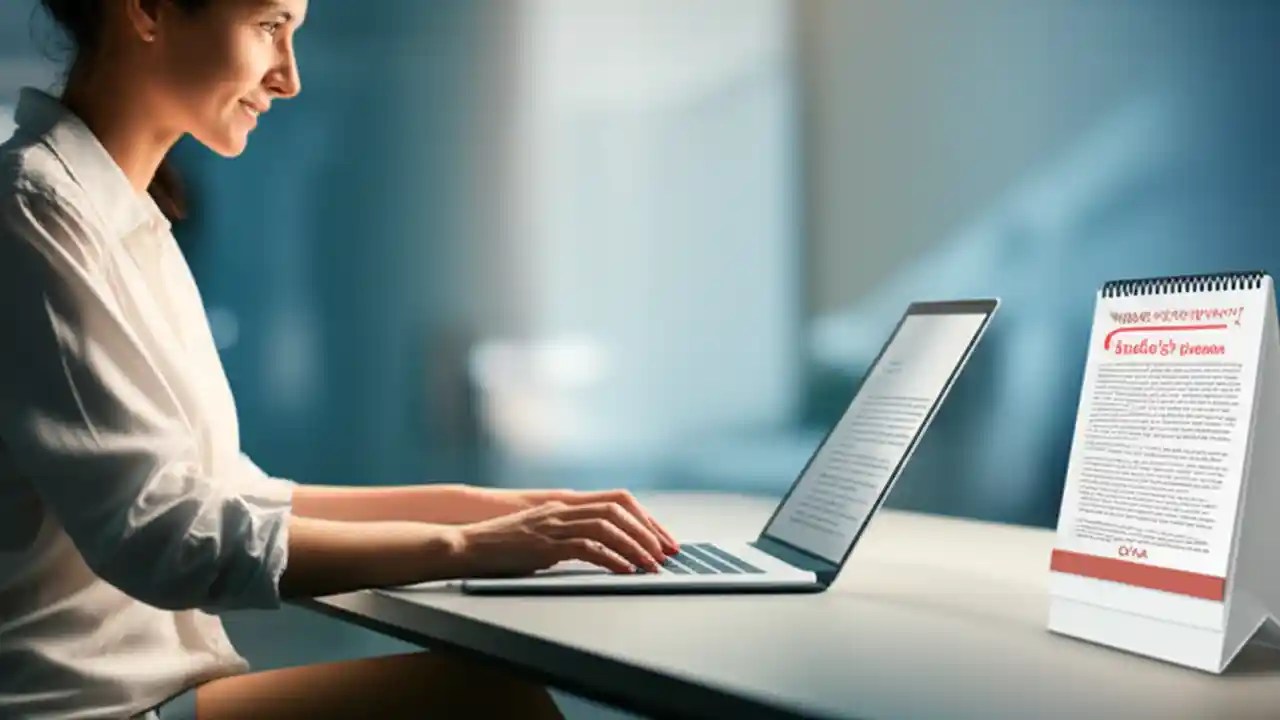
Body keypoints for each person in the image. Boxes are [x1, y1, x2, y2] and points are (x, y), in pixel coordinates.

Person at [0, 1, 681, 718]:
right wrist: (463, 545)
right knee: (488, 704)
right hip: (89, 711)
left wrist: (502, 514)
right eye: (269, 26)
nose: (289, 77)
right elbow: (167, 534)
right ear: (146, 10)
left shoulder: (124, 220)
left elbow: (224, 492)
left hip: (158, 697)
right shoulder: (32, 212)